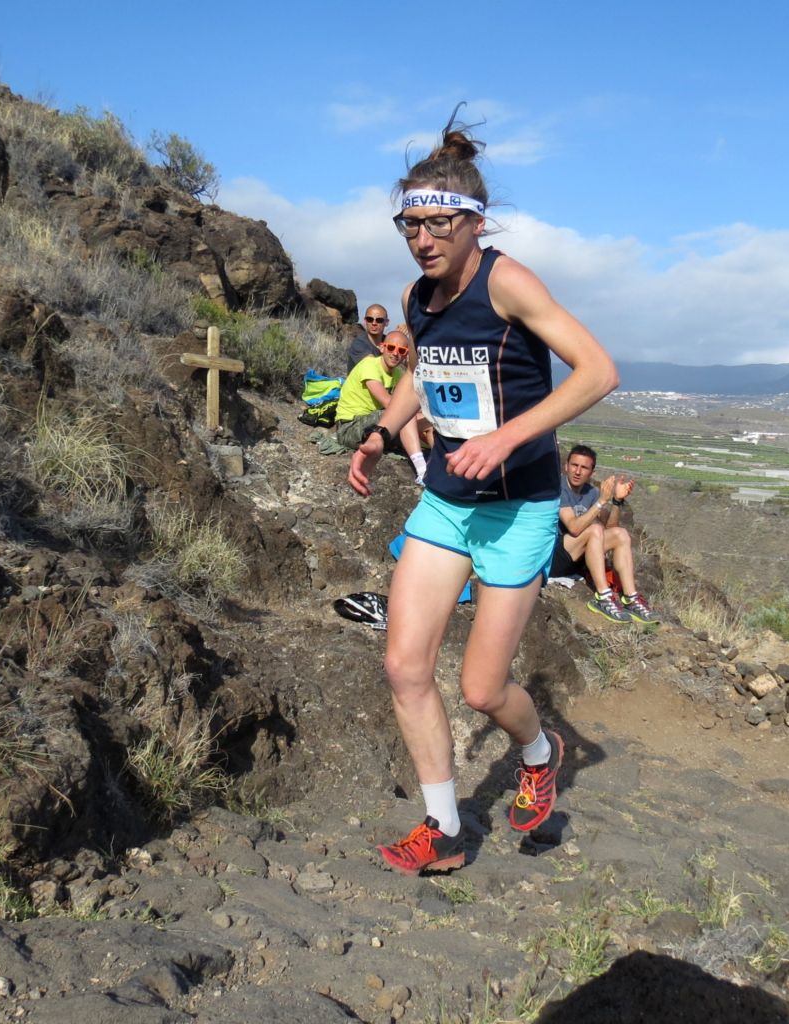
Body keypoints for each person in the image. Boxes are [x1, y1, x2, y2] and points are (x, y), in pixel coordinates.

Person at [348, 110, 619, 875]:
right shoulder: (417, 296)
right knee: (404, 667)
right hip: (445, 502)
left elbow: (598, 371)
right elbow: (421, 374)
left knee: (481, 688)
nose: (422, 239)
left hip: (518, 507)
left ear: (475, 221)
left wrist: (506, 437)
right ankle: (443, 829)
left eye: (438, 224)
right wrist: (379, 434)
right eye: (410, 225)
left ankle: (538, 753)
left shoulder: (508, 282)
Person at [550, 445, 660, 624]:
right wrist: (601, 501)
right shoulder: (559, 488)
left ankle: (630, 597)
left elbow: (611, 527)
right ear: (566, 466)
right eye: (574, 465)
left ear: (592, 472)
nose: (577, 471)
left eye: (584, 467)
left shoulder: (591, 492)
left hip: (578, 557)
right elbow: (574, 527)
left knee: (621, 534)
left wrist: (616, 501)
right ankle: (603, 597)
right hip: (555, 557)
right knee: (595, 529)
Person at [333, 330, 428, 483]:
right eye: (391, 348)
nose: (395, 353)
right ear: (382, 347)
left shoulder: (398, 374)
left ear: (406, 354)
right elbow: (391, 405)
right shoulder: (370, 365)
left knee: (429, 423)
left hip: (377, 427)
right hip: (349, 427)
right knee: (404, 413)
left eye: (401, 350)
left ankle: (446, 467)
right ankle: (422, 471)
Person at [345, 304, 390, 374]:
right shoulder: (359, 343)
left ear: (386, 322)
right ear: (365, 321)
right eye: (370, 319)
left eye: (379, 320)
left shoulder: (388, 341)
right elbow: (373, 367)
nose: (374, 323)